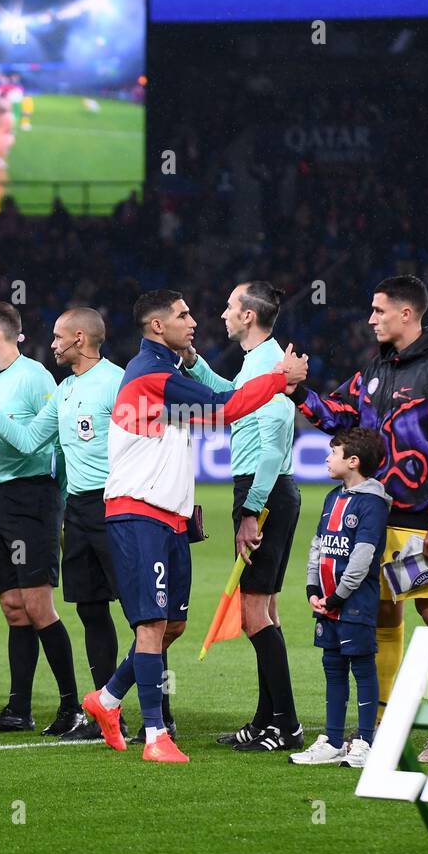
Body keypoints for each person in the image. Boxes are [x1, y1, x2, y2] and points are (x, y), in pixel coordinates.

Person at [82, 289, 309, 764]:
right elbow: (223, 406)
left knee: (173, 625)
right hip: (137, 512)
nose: (195, 320)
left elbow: (210, 401)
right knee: (152, 625)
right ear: (158, 326)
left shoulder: (167, 374)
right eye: (183, 315)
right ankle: (155, 736)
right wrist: (278, 380)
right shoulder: (151, 375)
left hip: (169, 518)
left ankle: (105, 700)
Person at [291, 276, 428, 763]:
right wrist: (297, 390)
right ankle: (384, 722)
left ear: (407, 314)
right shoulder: (374, 369)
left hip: (419, 521)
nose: (371, 319)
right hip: (372, 517)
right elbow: (337, 418)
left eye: (378, 310)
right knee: (382, 616)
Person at [0, 307, 127, 741]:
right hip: (30, 502)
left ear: (79, 338)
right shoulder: (60, 387)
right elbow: (21, 437)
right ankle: (34, 709)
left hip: (74, 502)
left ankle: (119, 710)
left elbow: (43, 448)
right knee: (56, 609)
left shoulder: (85, 380)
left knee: (133, 615)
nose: (51, 343)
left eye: (58, 337)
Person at [182, 281, 304, 752]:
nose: (223, 314)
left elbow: (274, 448)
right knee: (265, 611)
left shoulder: (271, 366)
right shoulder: (258, 364)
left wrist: (251, 510)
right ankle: (266, 718)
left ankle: (286, 724)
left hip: (263, 489)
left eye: (231, 306)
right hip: (265, 490)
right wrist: (196, 365)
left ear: (249, 316)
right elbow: (231, 398)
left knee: (255, 615)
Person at [0, 302, 80, 737]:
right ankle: (18, 709)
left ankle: (71, 707)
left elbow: (33, 444)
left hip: (33, 496)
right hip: (0, 497)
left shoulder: (35, 377)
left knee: (38, 605)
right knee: (12, 607)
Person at [289, 427, 390, 768]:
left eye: (333, 453)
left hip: (355, 603)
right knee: (332, 668)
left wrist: (338, 595)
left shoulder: (372, 503)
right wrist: (312, 588)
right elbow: (319, 544)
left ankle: (365, 742)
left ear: (353, 461)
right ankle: (333, 741)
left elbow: (363, 555)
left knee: (361, 667)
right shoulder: (333, 497)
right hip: (328, 602)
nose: (327, 458)